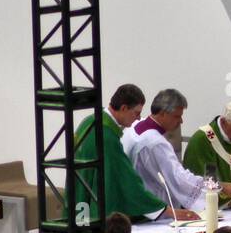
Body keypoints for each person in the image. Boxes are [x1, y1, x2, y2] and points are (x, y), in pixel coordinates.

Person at [75, 84, 187, 221]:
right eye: (137, 113)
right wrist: (165, 209)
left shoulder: (90, 121)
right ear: (124, 108)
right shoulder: (107, 136)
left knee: (79, 231)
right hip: (94, 203)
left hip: (80, 194)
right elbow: (127, 181)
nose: (139, 118)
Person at [123, 89, 231, 211]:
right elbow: (179, 179)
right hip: (154, 207)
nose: (181, 121)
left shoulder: (136, 126)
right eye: (177, 116)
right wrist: (217, 186)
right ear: (163, 113)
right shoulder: (156, 142)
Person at [181, 100, 231, 204]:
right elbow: (196, 183)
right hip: (213, 211)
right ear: (223, 122)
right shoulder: (201, 140)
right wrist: (229, 200)